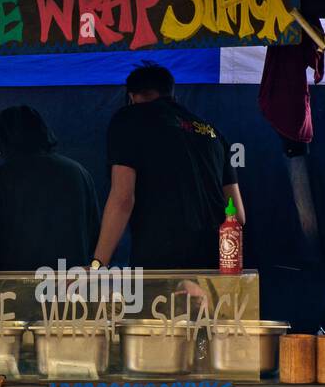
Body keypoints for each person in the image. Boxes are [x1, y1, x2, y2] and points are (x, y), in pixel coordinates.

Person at [91, 63, 245, 269]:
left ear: (132, 97)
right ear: (172, 93)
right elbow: (237, 216)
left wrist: (97, 264)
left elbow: (122, 198)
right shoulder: (212, 133)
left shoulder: (129, 118)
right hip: (215, 260)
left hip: (163, 260)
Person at [0, 106, 100, 271]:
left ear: (4, 140)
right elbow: (94, 232)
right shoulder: (78, 172)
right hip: (72, 284)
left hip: (15, 286)